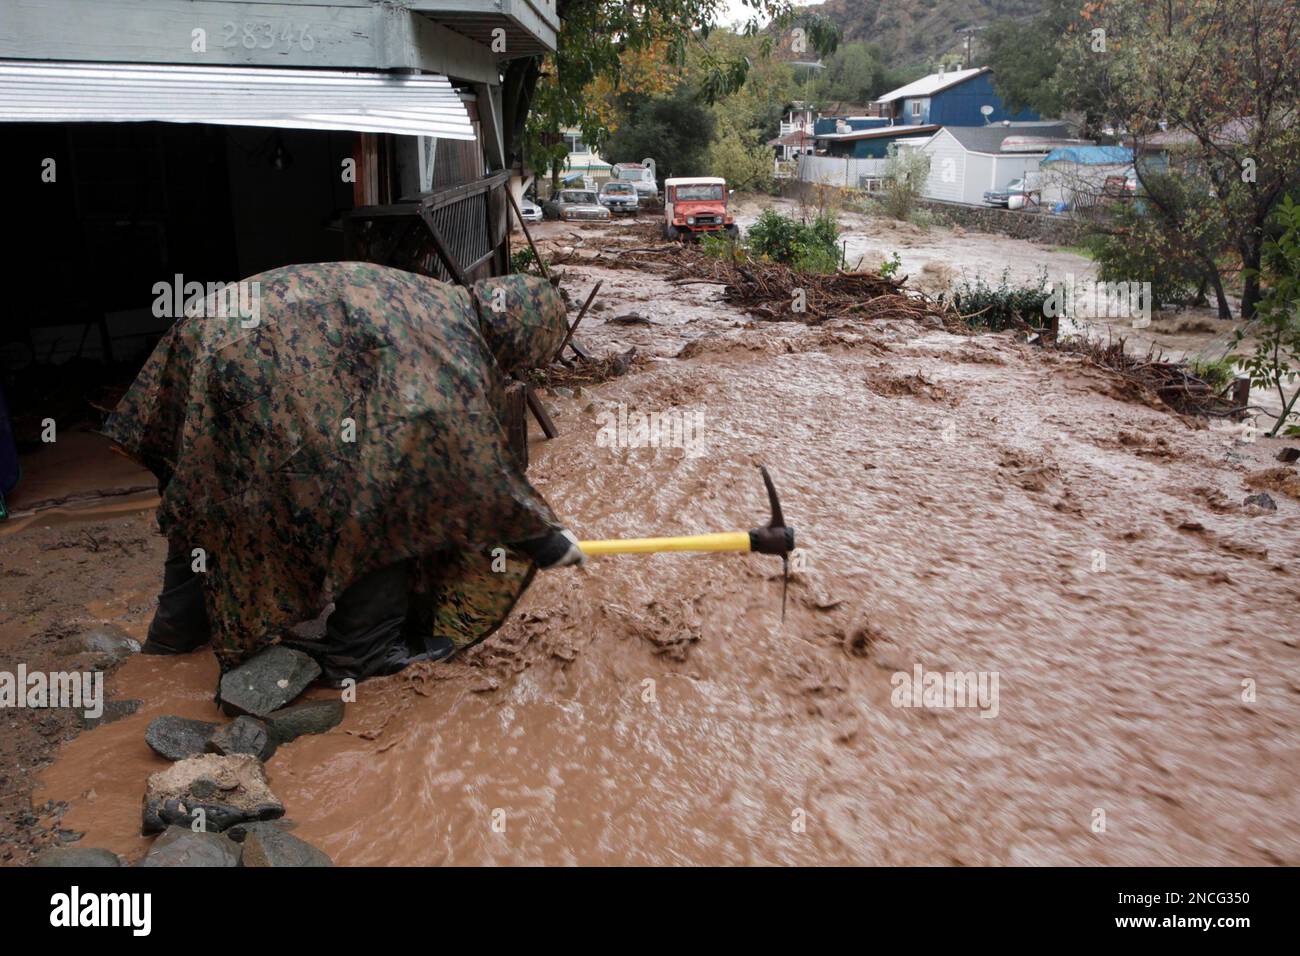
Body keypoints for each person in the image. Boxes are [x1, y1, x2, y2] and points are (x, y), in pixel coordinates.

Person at [105, 262, 584, 688]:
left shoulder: (431, 297)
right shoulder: (449, 342)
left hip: (206, 330)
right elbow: (468, 467)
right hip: (256, 358)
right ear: (521, 335)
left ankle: (172, 639)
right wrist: (542, 536)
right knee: (391, 506)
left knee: (207, 490)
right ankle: (361, 655)